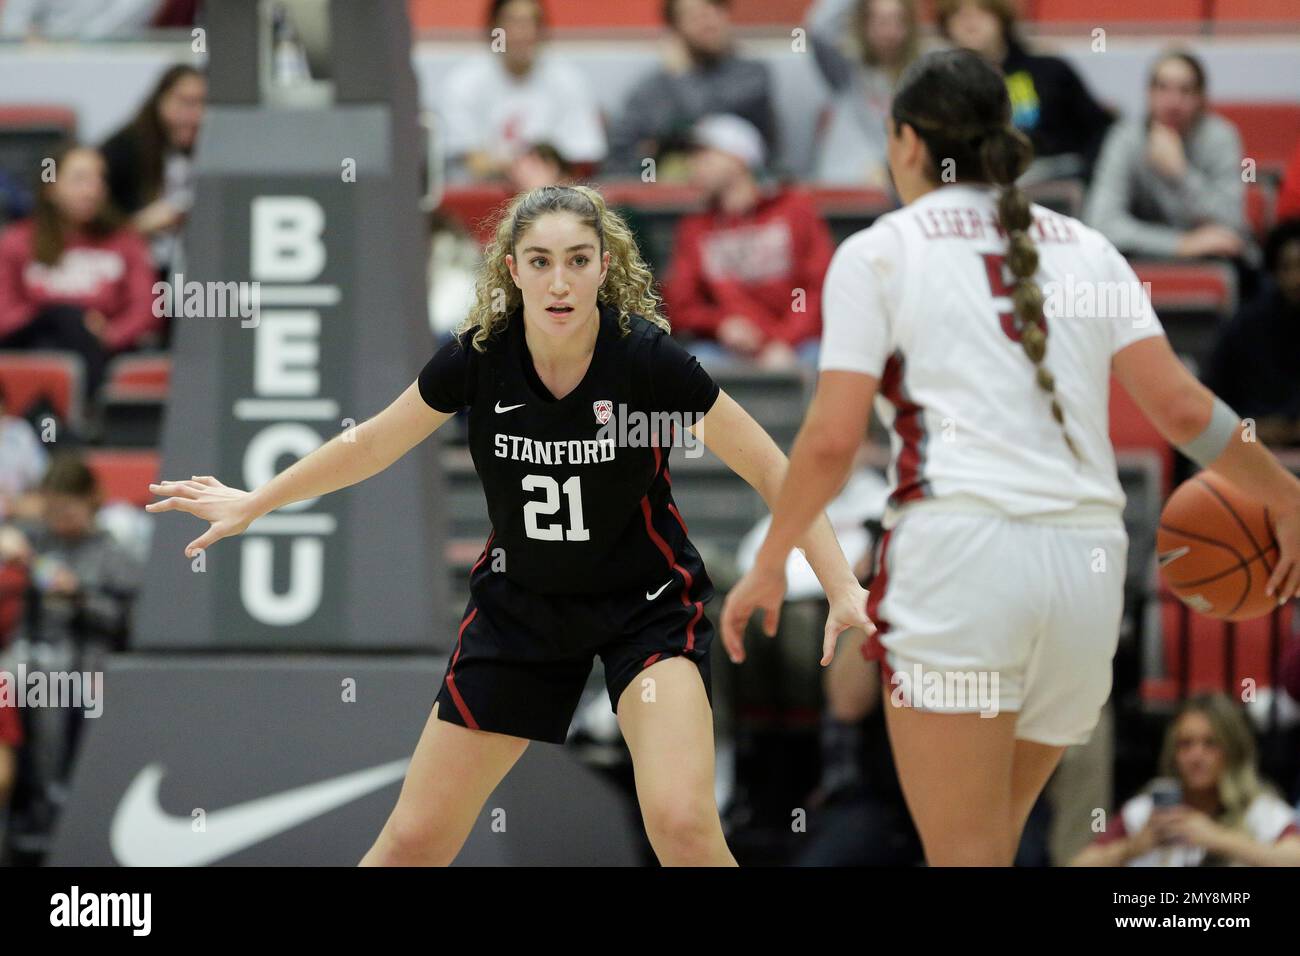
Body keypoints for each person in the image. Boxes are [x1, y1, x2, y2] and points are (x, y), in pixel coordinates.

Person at [146, 184, 870, 866]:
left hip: (643, 610)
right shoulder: (481, 358)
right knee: (414, 839)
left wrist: (841, 585)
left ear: (603, 268)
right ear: (513, 270)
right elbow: (368, 444)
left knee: (683, 826)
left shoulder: (646, 361)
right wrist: (255, 501)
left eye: (578, 262)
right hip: (521, 612)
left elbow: (776, 471)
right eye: (542, 262)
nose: (560, 282)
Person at [720, 49, 1300, 866]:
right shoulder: (1088, 247)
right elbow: (1180, 407)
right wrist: (1286, 496)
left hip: (963, 556)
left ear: (908, 142)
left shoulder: (881, 251)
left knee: (965, 858)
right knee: (988, 851)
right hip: (1086, 570)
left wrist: (771, 559)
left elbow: (829, 439)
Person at [662, 114, 834, 368]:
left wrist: (785, 341)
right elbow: (680, 304)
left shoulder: (795, 208)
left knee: (824, 360)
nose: (693, 165)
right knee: (697, 363)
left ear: (738, 158)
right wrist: (720, 324)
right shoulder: (694, 228)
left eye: (704, 154)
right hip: (728, 351)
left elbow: (819, 288)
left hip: (799, 346)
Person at [0, 145, 158, 399]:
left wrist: (106, 334)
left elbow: (147, 310)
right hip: (37, 346)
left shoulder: (126, 241)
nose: (92, 190)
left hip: (107, 351)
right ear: (50, 187)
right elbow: (5, 314)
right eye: (80, 179)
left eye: (99, 179)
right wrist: (64, 321)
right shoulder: (16, 241)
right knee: (64, 318)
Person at [1072, 694, 1300, 866]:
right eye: (1186, 744)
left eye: (1210, 743)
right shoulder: (1149, 809)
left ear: (1232, 750)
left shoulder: (1261, 809)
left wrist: (1218, 839)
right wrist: (1132, 848)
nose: (1196, 757)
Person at [1085, 50, 1248, 262]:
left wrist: (1181, 174)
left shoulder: (1221, 137)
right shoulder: (1125, 138)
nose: (1173, 102)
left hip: (1213, 261)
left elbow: (1233, 224)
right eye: (1163, 88)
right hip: (1143, 262)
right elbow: (1101, 223)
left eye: (1185, 90)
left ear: (1201, 98)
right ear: (1148, 94)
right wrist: (1181, 244)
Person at [937, 0, 1111, 185]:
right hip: (973, 189)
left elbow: (1099, 132)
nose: (970, 23)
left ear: (1001, 17)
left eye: (981, 12)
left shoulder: (1050, 72)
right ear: (946, 26)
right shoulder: (938, 85)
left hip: (1052, 186)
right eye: (958, 15)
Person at [436, 0, 606, 185]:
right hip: (484, 197)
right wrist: (522, 169)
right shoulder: (464, 82)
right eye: (512, 22)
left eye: (529, 23)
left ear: (542, 31)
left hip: (555, 196)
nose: (521, 33)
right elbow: (467, 160)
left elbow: (582, 156)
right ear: (493, 30)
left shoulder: (569, 81)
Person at [604, 0, 777, 179]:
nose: (707, 20)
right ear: (675, 29)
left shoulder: (752, 75)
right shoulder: (650, 89)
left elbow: (710, 123)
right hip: (666, 195)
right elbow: (619, 158)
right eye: (694, 14)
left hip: (746, 191)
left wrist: (682, 75)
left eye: (714, 8)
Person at [100, 64, 206, 281]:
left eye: (203, 104)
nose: (195, 114)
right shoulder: (124, 149)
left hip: (201, 269)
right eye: (185, 102)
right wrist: (137, 225)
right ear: (160, 101)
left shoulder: (223, 152)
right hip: (133, 271)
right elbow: (88, 220)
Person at [1201, 219, 1300, 447]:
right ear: (1274, 273)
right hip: (1252, 448)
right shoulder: (1244, 327)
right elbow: (1212, 405)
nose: (1297, 278)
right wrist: (1255, 426)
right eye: (1288, 267)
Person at [805, 0, 920, 188]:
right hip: (845, 188)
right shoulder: (844, 71)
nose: (890, 31)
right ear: (864, 25)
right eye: (881, 21)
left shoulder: (921, 78)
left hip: (901, 194)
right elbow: (819, 29)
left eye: (898, 20)